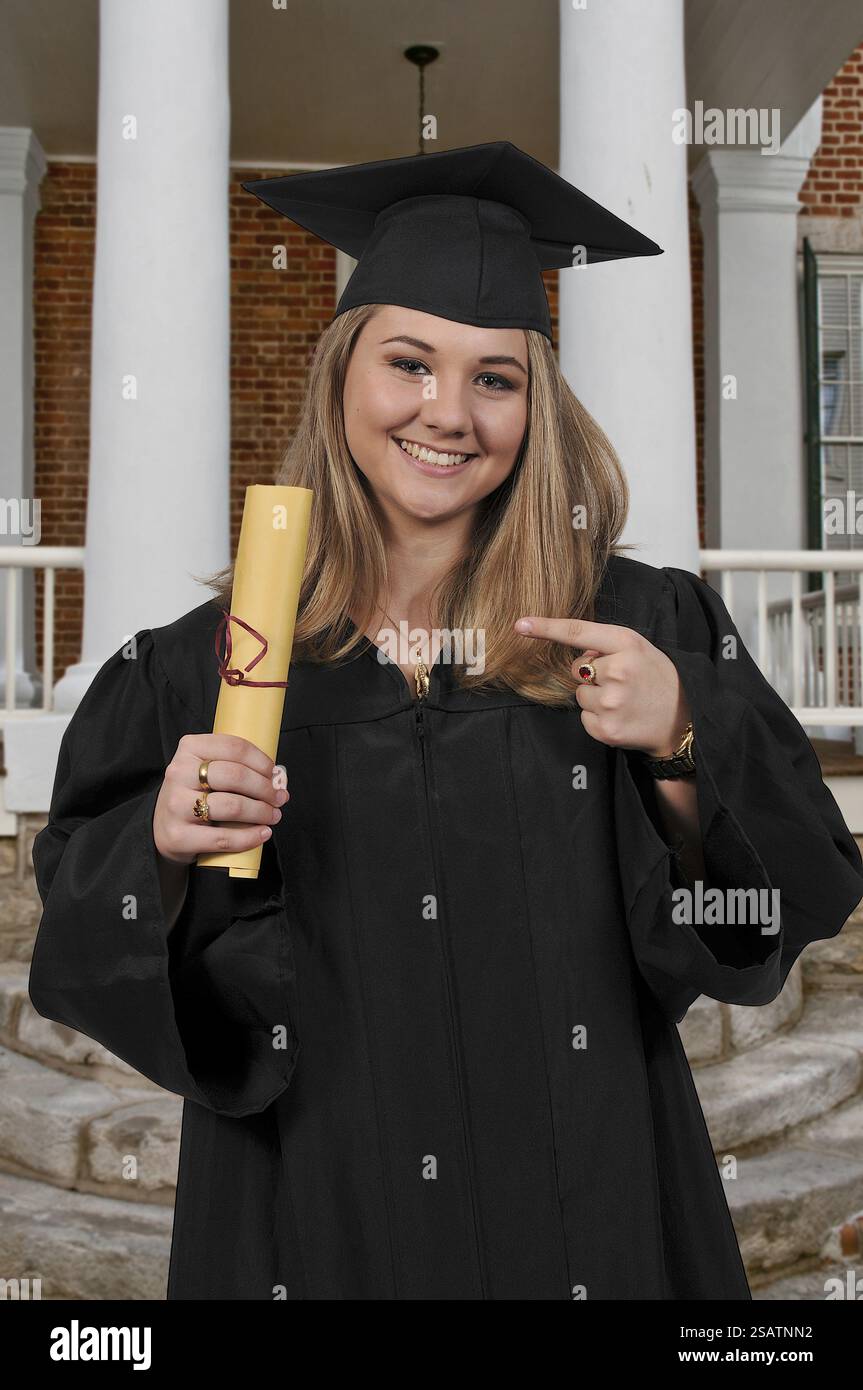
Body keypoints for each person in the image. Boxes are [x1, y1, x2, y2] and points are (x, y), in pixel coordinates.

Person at [29, 142, 863, 1301]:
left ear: (535, 404)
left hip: (591, 1199)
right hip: (314, 1212)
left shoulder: (634, 623)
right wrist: (160, 854)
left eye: (494, 378)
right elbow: (76, 938)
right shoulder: (201, 669)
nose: (447, 413)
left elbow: (780, 908)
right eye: (408, 364)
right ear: (340, 380)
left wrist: (679, 741)